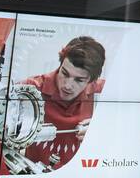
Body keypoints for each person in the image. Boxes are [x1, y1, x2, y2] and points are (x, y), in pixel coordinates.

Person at [19, 36, 106, 171]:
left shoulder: (104, 92)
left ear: (91, 80)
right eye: (64, 73)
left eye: (79, 80)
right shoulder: (31, 88)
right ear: (60, 65)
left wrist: (102, 129)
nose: (67, 85)